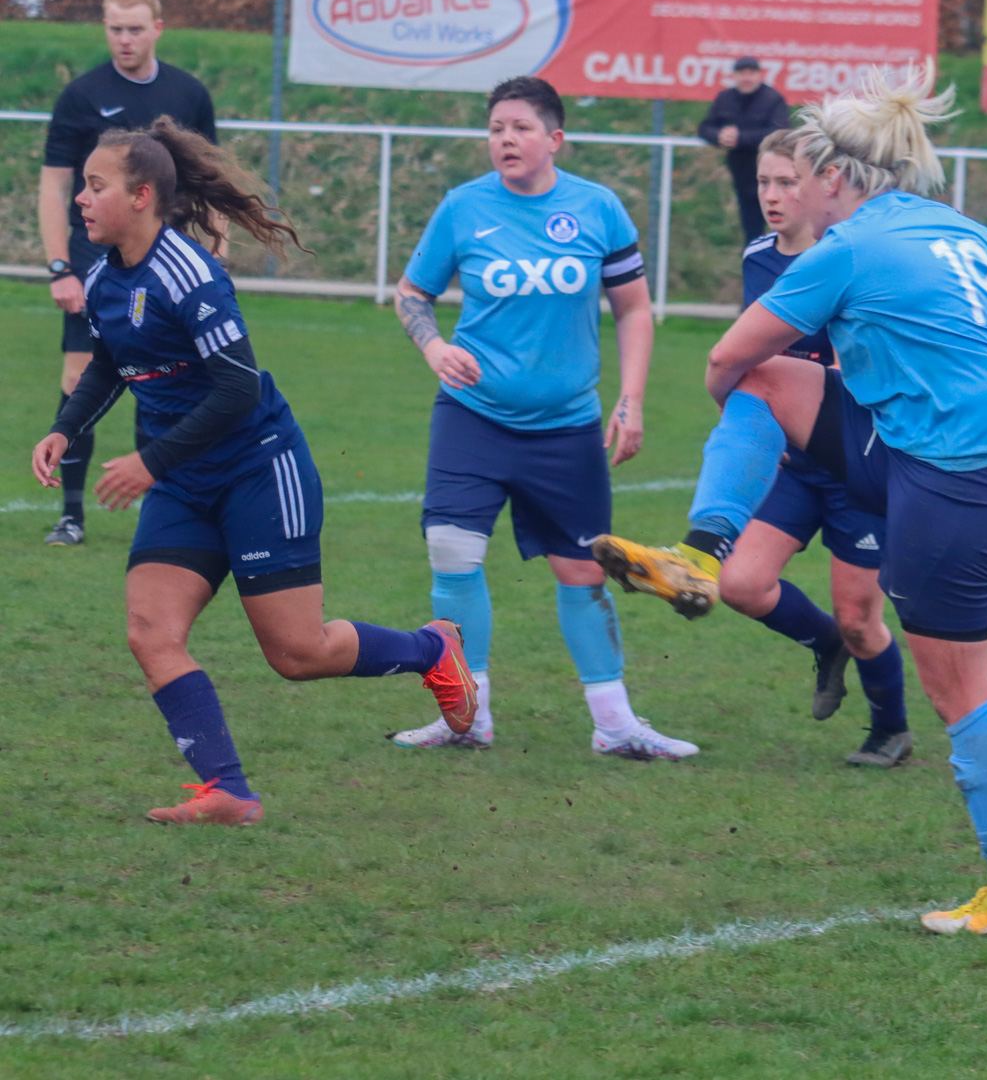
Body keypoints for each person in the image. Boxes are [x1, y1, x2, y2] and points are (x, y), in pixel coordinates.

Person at [592, 67, 987, 937]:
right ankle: (699, 551)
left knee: (961, 694)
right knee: (773, 381)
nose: (799, 189)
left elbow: (723, 359)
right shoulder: (970, 235)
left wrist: (743, 428)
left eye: (807, 174)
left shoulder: (845, 249)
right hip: (953, 463)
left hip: (950, 490)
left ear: (838, 178)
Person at [30, 117, 479, 826]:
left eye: (95, 186)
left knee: (297, 653)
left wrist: (150, 459)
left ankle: (433, 649)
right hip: (183, 481)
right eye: (81, 186)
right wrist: (64, 426)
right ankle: (229, 792)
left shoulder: (192, 275)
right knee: (151, 631)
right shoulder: (102, 273)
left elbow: (236, 389)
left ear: (142, 195)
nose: (80, 200)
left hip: (257, 471)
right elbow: (113, 360)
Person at [385, 76, 692, 762]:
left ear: (555, 139)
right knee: (452, 553)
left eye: (520, 128)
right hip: (474, 419)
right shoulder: (463, 208)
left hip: (566, 427)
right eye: (496, 128)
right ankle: (468, 716)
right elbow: (412, 293)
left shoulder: (598, 208)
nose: (505, 140)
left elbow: (634, 308)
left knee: (583, 573)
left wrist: (631, 398)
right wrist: (434, 345)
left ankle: (616, 726)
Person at [717, 129, 914, 767]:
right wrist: (754, 427)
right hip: (794, 462)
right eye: (763, 183)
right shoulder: (759, 256)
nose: (773, 196)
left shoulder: (853, 253)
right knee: (741, 584)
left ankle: (891, 728)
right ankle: (824, 642)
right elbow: (751, 353)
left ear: (818, 183)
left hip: (856, 459)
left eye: (785, 182)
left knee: (863, 617)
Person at [38, 0, 217, 548]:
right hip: (93, 260)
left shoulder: (188, 94)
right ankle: (71, 515)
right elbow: (53, 187)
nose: (125, 39)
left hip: (166, 261)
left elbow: (206, 181)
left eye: (135, 28)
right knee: (77, 375)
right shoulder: (82, 95)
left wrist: (217, 250)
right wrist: (59, 266)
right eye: (115, 28)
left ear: (158, 28)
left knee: (159, 374)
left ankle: (156, 506)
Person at [697, 57, 791, 242]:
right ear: (734, 75)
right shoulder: (725, 98)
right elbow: (704, 128)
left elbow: (780, 132)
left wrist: (741, 138)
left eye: (751, 73)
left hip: (772, 173)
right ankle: (754, 265)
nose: (746, 78)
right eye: (742, 73)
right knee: (751, 228)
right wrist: (720, 136)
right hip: (741, 173)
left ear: (759, 75)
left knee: (779, 225)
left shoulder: (773, 99)